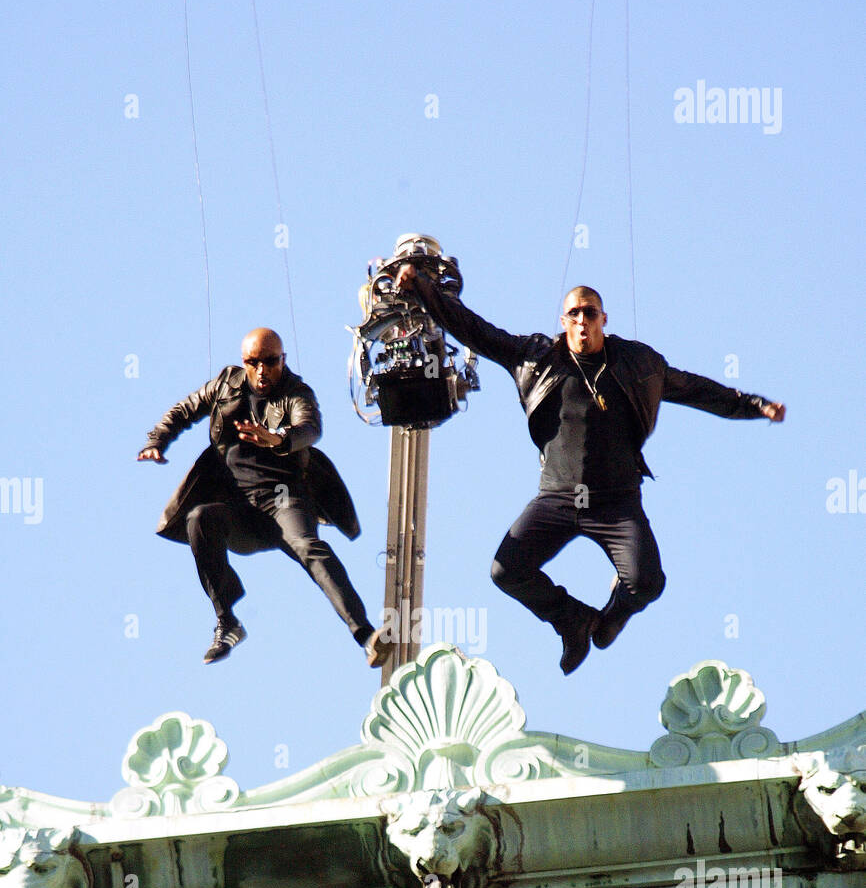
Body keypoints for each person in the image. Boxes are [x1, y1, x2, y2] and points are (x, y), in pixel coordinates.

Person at [393, 265, 785, 674]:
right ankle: (571, 619)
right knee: (505, 571)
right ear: (563, 323)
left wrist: (754, 405)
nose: (583, 322)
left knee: (647, 583)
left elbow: (698, 390)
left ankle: (611, 616)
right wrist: (422, 287)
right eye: (575, 315)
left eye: (591, 313)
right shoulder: (535, 358)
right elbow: (473, 329)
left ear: (604, 319)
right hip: (557, 498)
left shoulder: (640, 364)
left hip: (617, 502)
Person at [139, 329, 388, 666]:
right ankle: (227, 621)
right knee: (200, 517)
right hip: (240, 511)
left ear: (282, 360)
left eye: (270, 362)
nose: (261, 371)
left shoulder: (296, 392)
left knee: (309, 548)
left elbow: (310, 426)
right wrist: (157, 440)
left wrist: (279, 439)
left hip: (284, 501)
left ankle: (365, 634)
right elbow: (185, 409)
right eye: (253, 363)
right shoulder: (226, 384)